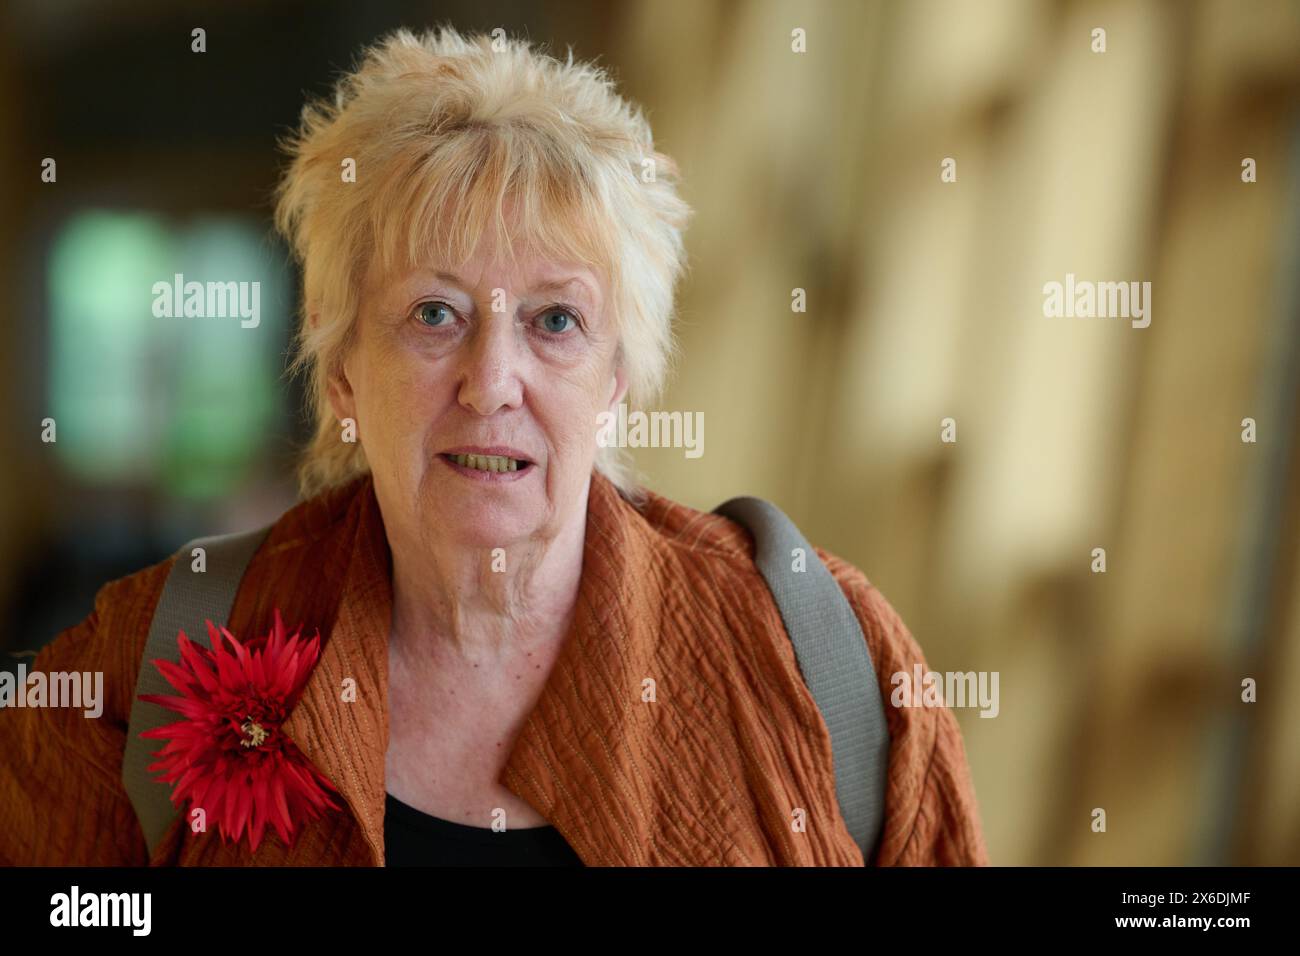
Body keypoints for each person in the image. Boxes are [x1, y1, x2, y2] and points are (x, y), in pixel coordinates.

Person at [0, 25, 988, 866]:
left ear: (615, 379)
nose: (491, 381)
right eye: (434, 312)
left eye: (555, 322)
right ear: (341, 371)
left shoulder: (827, 662)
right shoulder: (136, 672)